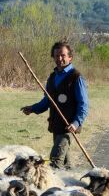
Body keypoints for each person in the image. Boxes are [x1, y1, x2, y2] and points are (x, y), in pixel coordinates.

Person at [20, 41, 88, 169]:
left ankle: (51, 186)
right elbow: (47, 101)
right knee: (66, 165)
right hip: (56, 125)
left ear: (70, 57)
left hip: (68, 127)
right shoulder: (52, 78)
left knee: (55, 161)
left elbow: (83, 105)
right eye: (56, 56)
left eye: (63, 55)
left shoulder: (76, 77)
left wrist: (76, 123)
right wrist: (33, 108)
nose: (59, 58)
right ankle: (70, 186)